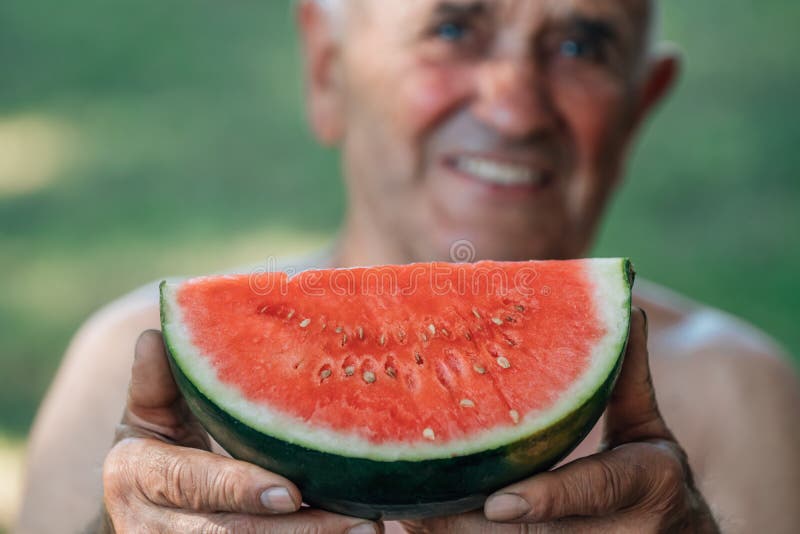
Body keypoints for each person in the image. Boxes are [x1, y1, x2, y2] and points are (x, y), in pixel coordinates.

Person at [15, 0, 800, 532]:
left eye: (579, 45)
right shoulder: (115, 367)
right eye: (453, 29)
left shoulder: (737, 390)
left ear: (638, 109)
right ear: (328, 69)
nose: (514, 107)